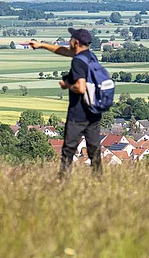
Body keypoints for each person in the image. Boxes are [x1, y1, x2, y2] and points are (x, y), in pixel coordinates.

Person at [29, 28, 102, 176]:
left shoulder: (77, 62)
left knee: (68, 149)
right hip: (94, 111)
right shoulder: (90, 56)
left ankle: (63, 180)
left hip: (79, 114)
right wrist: (42, 45)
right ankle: (99, 178)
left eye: (70, 39)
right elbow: (62, 51)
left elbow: (80, 88)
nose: (68, 41)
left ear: (76, 42)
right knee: (94, 149)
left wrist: (66, 85)